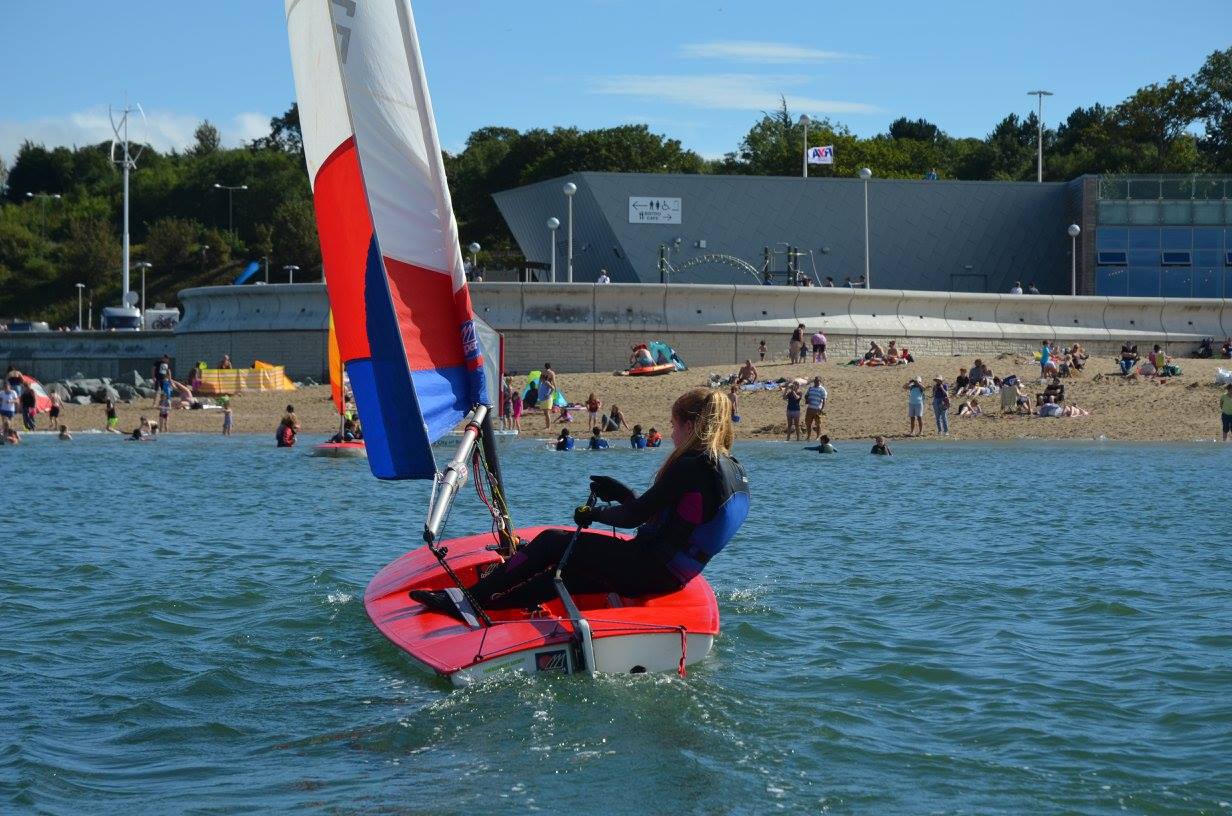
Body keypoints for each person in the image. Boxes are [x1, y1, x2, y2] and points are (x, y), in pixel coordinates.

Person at [410, 388, 749, 619]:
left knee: (551, 543)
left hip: (648, 569)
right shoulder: (730, 468)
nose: (672, 434)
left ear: (690, 426)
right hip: (673, 576)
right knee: (566, 575)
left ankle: (468, 600)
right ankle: (487, 608)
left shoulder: (692, 464)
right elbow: (673, 520)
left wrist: (595, 513)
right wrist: (622, 494)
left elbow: (633, 519)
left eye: (675, 426)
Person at [538, 363, 557, 430]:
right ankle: (547, 426)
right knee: (545, 413)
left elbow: (539, 382)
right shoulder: (551, 373)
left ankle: (548, 427)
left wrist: (539, 390)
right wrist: (556, 388)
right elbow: (554, 382)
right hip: (545, 394)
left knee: (546, 412)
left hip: (547, 395)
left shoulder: (543, 374)